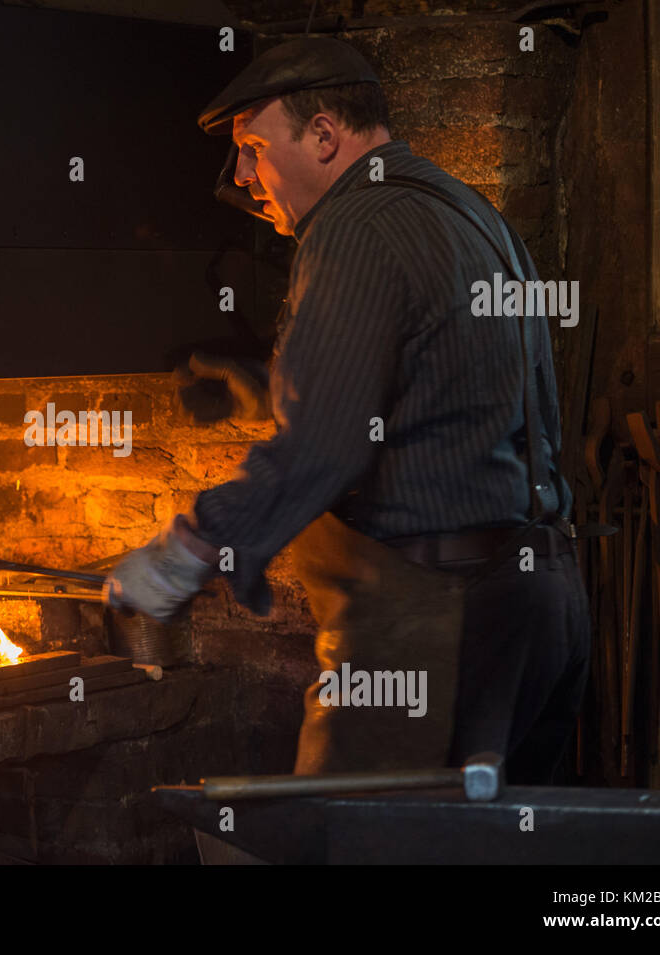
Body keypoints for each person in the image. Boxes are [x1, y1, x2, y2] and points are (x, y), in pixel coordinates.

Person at [104, 37, 590, 787]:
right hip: (540, 602)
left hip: (433, 619)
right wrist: (268, 385)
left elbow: (327, 447)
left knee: (353, 841)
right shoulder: (471, 213)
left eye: (252, 147)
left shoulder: (353, 227)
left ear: (326, 135)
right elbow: (451, 392)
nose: (239, 176)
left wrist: (191, 550)